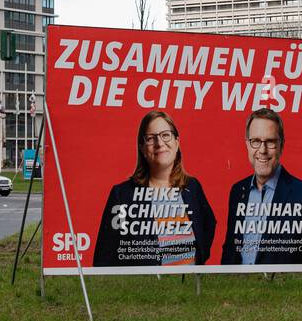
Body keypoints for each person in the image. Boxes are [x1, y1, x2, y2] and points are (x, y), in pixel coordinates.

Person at [92, 110, 217, 267]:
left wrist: (197, 261)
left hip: (190, 288)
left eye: (166, 135)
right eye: (151, 139)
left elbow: (208, 225)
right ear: (143, 149)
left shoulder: (192, 187)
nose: (159, 143)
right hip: (145, 290)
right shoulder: (123, 195)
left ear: (177, 142)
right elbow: (104, 260)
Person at [221, 108, 302, 265]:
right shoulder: (237, 191)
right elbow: (230, 250)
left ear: (281, 145)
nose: (262, 150)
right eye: (255, 141)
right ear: (247, 144)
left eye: (270, 142)